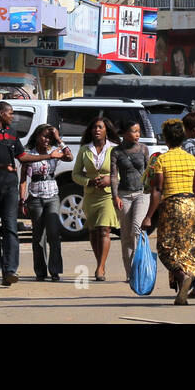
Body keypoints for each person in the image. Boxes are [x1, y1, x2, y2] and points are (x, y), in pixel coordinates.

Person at [0, 101, 65, 287]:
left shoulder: (12, 133)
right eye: (10, 113)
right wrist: (2, 167)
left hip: (9, 188)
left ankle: (10, 271)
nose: (12, 116)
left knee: (11, 228)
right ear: (1, 113)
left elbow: (23, 157)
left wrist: (49, 156)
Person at [142, 118, 195, 305]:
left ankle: (181, 276)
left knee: (165, 249)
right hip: (191, 206)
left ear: (166, 139)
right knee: (187, 249)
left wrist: (148, 216)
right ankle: (183, 292)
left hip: (171, 206)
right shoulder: (192, 159)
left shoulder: (161, 160)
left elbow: (157, 190)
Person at [21, 124, 73, 282]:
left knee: (54, 233)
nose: (47, 140)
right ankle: (40, 271)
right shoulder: (29, 154)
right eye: (44, 136)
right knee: (38, 236)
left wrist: (59, 140)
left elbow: (70, 157)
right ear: (37, 136)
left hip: (52, 196)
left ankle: (55, 270)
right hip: (35, 197)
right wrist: (22, 199)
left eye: (50, 138)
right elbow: (23, 179)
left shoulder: (55, 151)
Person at [73, 116, 120, 281]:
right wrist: (88, 181)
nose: (97, 130)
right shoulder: (84, 150)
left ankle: (100, 267)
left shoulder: (115, 149)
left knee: (104, 229)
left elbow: (122, 172)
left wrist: (110, 179)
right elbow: (75, 174)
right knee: (93, 231)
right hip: (91, 195)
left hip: (108, 194)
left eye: (100, 127)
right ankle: (100, 261)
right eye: (94, 127)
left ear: (107, 130)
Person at [110, 120, 150, 279]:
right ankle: (130, 273)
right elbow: (113, 176)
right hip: (124, 195)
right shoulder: (116, 151)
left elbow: (149, 172)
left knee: (137, 229)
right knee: (126, 235)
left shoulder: (144, 149)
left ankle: (141, 266)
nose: (138, 134)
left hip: (142, 194)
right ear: (125, 133)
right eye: (134, 131)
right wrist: (115, 196)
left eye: (139, 131)